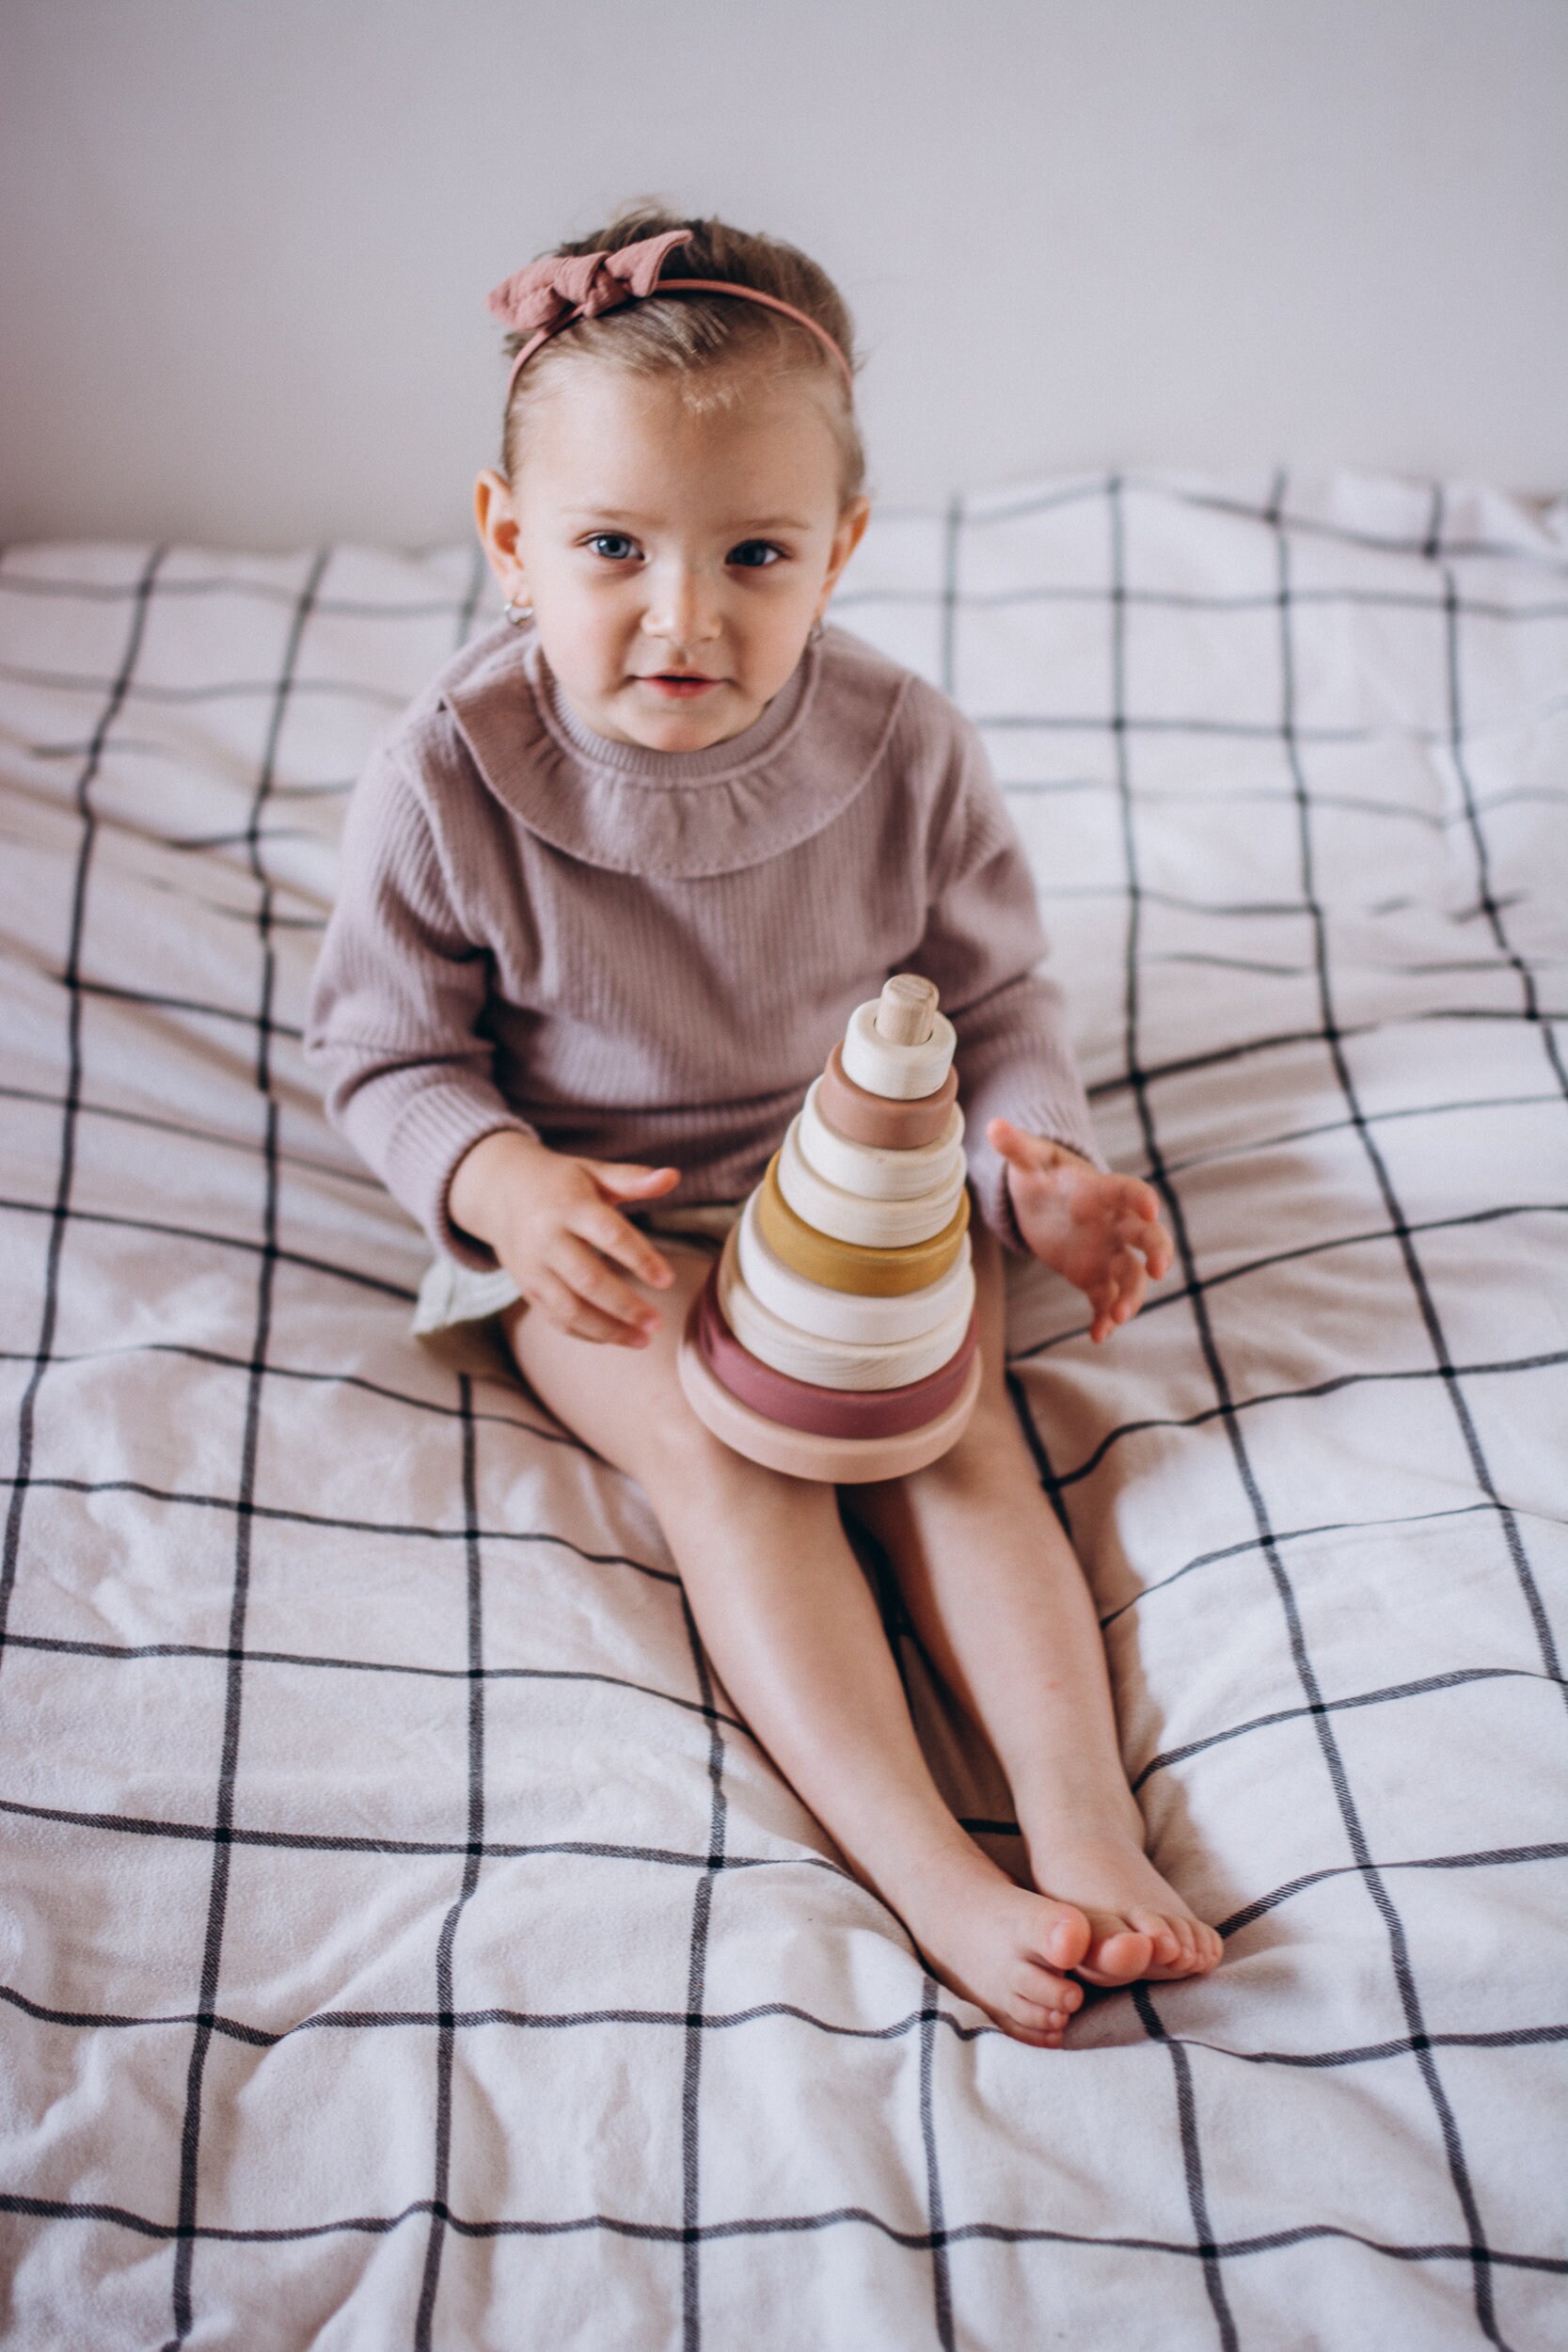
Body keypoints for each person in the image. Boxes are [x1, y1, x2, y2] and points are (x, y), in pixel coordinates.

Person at [307, 210, 1222, 2045]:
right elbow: (389, 1054)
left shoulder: (900, 745)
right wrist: (502, 1179)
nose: (683, 613)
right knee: (731, 1460)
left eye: (754, 554)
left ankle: (1087, 1824)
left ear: (840, 554)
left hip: (864, 1194)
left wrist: (1028, 1161)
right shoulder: (451, 772)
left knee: (958, 1444)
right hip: (612, 1232)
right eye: (612, 547)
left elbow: (1000, 1003)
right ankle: (936, 1875)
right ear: (508, 539)